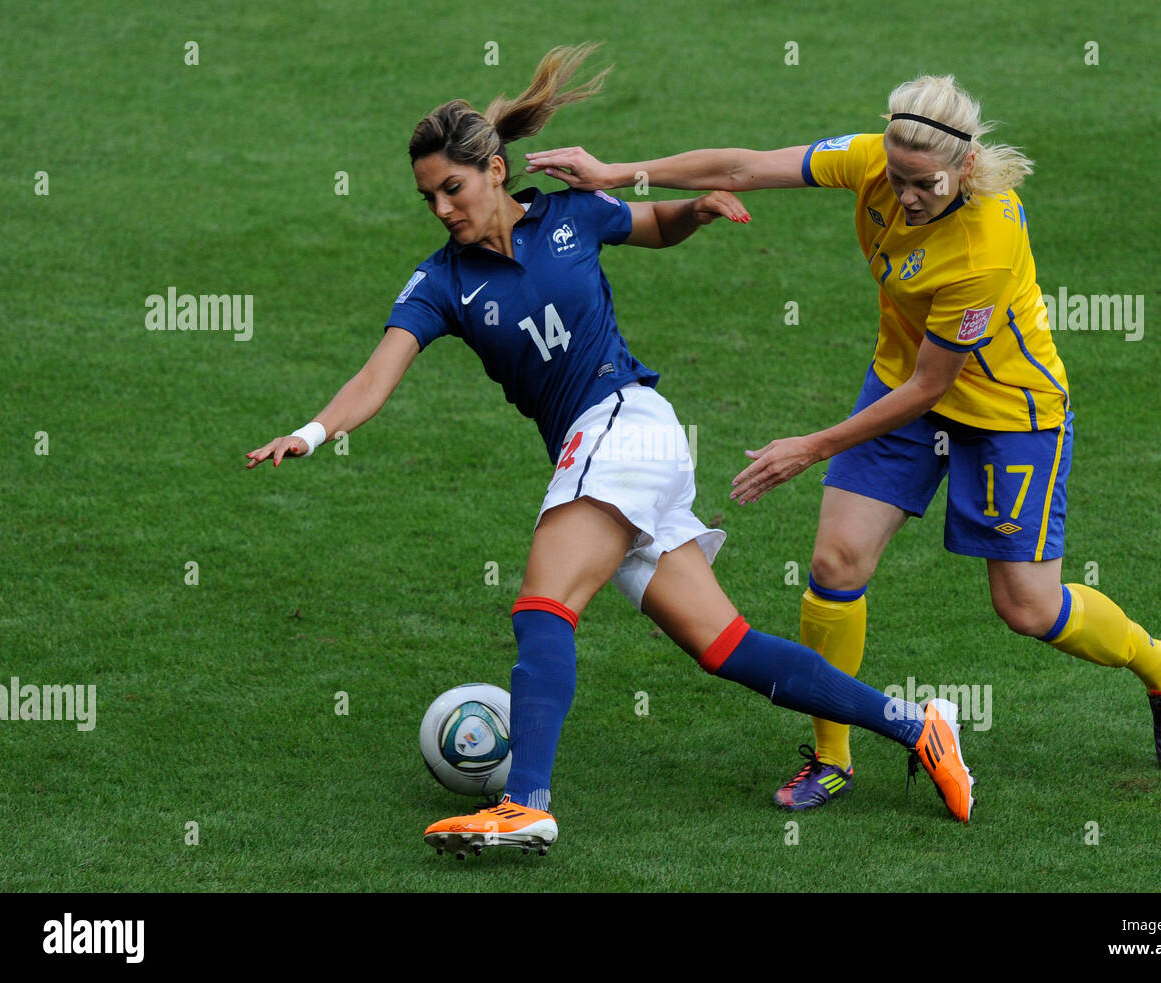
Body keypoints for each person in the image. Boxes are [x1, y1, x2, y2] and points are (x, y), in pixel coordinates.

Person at [246, 47, 977, 857]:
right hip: (612, 450)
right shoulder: (440, 285)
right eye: (429, 198)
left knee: (541, 601)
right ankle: (917, 724)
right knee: (725, 646)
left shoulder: (570, 214)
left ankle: (526, 803)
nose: (442, 209)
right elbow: (376, 375)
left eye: (452, 187)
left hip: (623, 422)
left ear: (493, 170)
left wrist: (695, 212)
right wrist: (311, 431)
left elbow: (651, 223)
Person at [524, 73, 1161, 813]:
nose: (905, 195)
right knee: (833, 562)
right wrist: (618, 173)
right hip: (901, 383)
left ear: (965, 169)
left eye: (923, 184)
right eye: (898, 177)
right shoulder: (876, 159)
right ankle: (831, 755)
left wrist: (810, 445)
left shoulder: (985, 242)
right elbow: (748, 165)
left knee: (1028, 607)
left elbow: (930, 390)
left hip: (1008, 410)